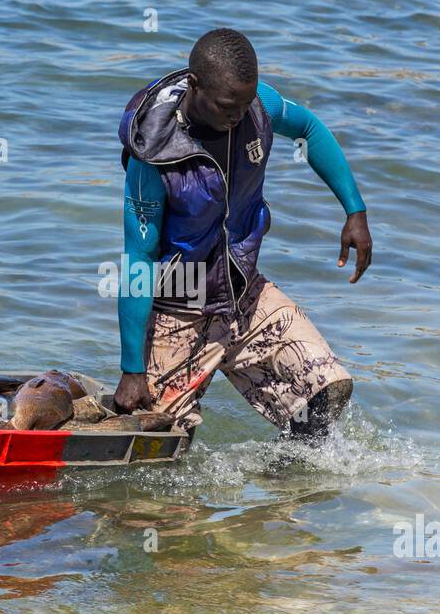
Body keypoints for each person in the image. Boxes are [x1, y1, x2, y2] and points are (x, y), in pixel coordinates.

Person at [113, 28, 371, 440]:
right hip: (178, 306)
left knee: (329, 389)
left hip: (243, 294)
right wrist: (132, 370)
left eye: (244, 102)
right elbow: (139, 259)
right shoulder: (153, 155)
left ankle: (279, 489)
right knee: (160, 448)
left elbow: (309, 129)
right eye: (227, 106)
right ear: (195, 87)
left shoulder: (256, 105)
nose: (237, 115)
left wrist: (354, 209)